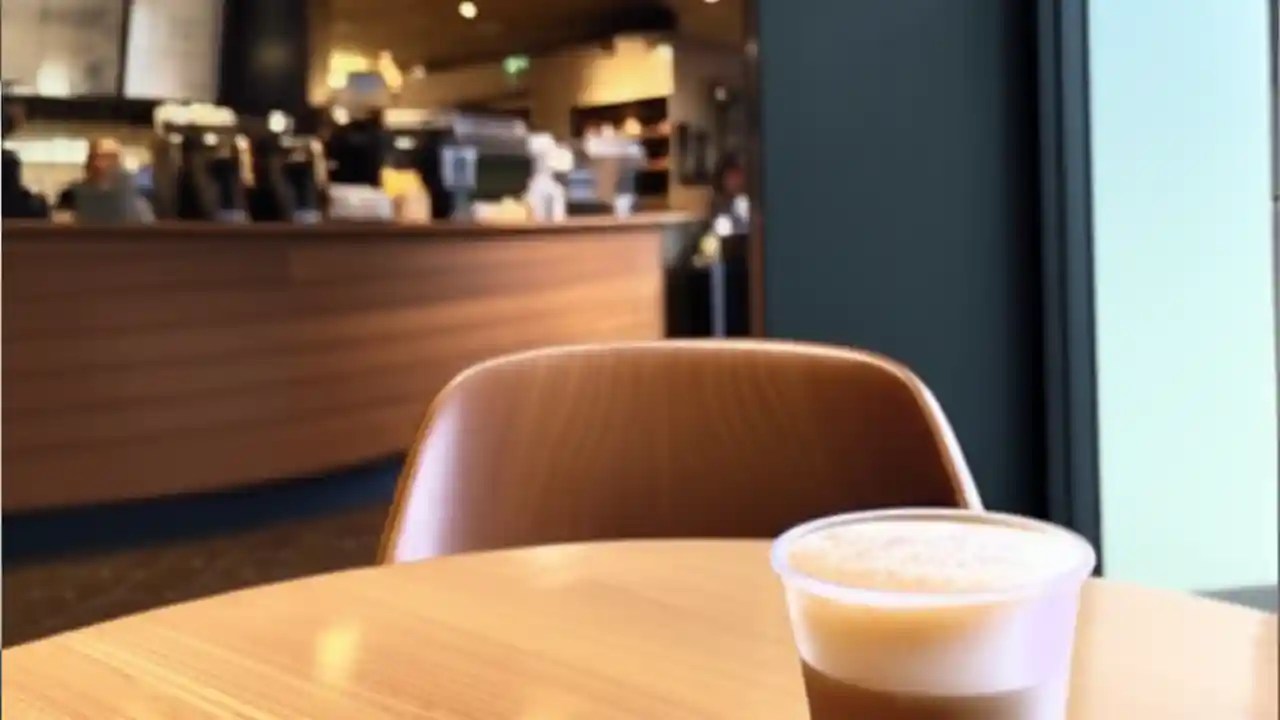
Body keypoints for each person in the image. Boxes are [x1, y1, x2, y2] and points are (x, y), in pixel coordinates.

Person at [56, 138, 153, 224]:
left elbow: (147, 231)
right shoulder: (70, 196)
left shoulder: (136, 197)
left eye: (109, 158)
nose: (100, 164)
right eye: (95, 157)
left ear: (118, 162)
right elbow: (61, 231)